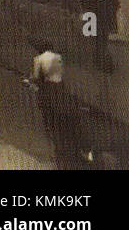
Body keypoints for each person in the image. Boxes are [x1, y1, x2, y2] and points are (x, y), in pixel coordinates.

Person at [27, 41, 85, 169]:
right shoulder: (58, 57)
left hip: (48, 89)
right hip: (60, 87)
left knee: (50, 120)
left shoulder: (38, 59)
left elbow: (36, 78)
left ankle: (58, 151)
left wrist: (32, 82)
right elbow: (60, 75)